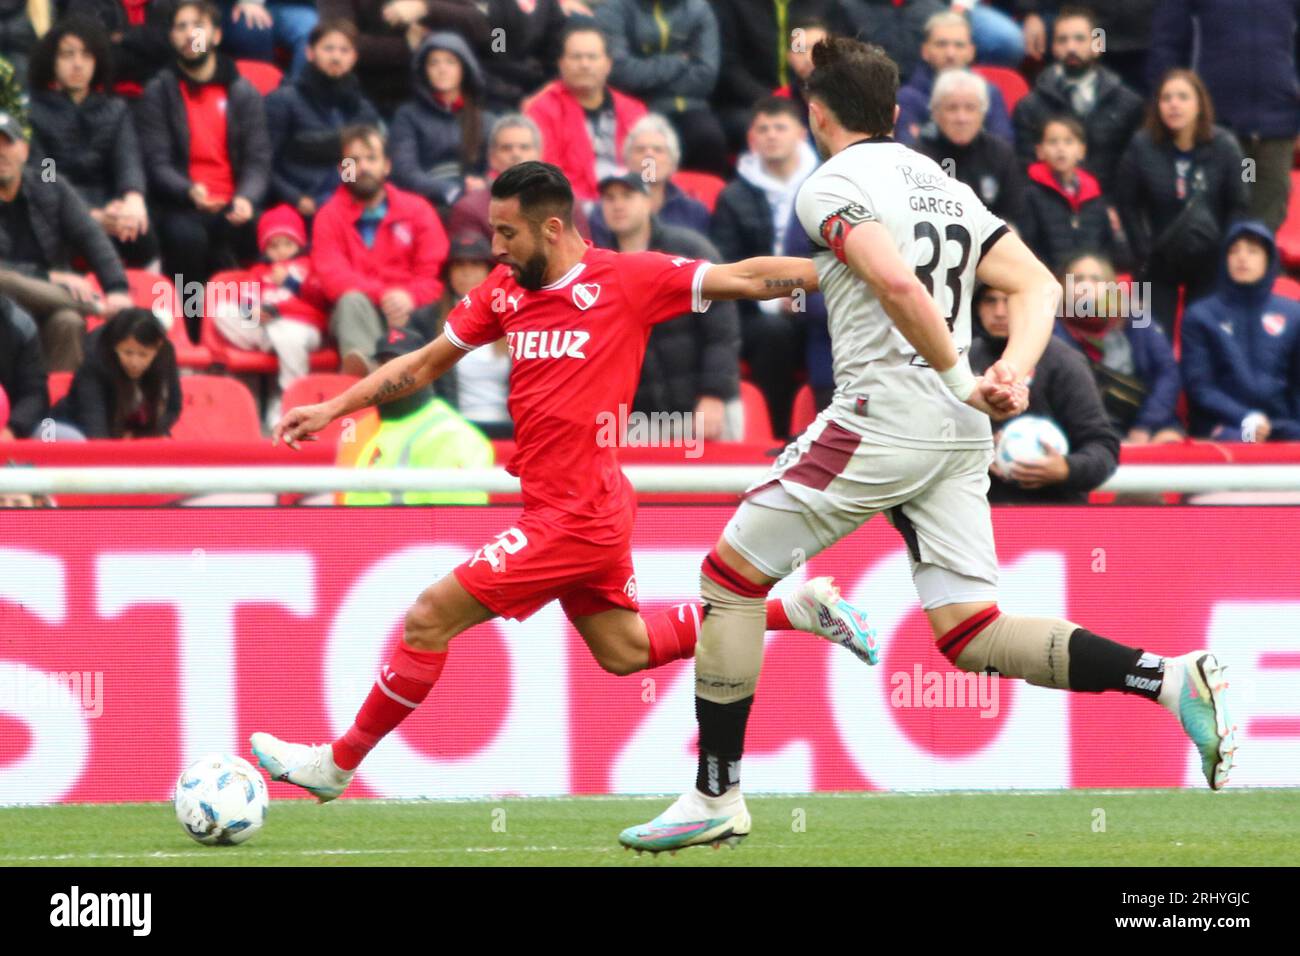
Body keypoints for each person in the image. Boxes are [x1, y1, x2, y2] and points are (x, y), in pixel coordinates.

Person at [620, 37, 1236, 855]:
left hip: (889, 416)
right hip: (956, 433)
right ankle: (1167, 678)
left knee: (728, 576)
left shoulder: (833, 182)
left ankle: (716, 793)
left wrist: (956, 375)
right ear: (899, 113)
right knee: (971, 629)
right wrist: (1007, 372)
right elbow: (1039, 284)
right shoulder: (938, 183)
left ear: (817, 114)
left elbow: (896, 283)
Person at [250, 159, 875, 800]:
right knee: (625, 650)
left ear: (551, 228)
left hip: (577, 515)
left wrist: (852, 265)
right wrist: (334, 408)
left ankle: (337, 765)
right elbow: (425, 362)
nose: (494, 247)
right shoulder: (504, 290)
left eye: (506, 233)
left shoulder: (628, 279)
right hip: (571, 507)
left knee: (428, 619)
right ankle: (797, 608)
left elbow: (742, 278)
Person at [136, 0, 271, 339]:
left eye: (196, 25)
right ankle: (194, 331)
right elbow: (156, 162)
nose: (187, 34)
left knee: (264, 231)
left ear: (216, 35)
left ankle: (251, 333)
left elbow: (257, 159)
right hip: (181, 203)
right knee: (188, 238)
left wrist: (245, 198)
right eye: (180, 27)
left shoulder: (242, 91)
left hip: (232, 203)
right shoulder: (159, 91)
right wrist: (189, 191)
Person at [598, 171, 741, 442]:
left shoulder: (687, 249)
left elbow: (722, 328)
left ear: (649, 202)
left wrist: (713, 394)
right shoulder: (597, 266)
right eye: (609, 198)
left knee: (722, 484)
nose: (617, 205)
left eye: (627, 196)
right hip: (637, 419)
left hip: (703, 409)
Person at [711, 95, 820, 438]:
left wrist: (802, 296)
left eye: (780, 127)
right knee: (773, 335)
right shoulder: (733, 196)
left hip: (817, 300)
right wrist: (774, 299)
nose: (771, 135)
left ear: (801, 134)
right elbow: (724, 266)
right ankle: (776, 433)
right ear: (751, 139)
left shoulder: (825, 186)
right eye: (763, 129)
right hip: (754, 308)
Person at [1115, 69, 1249, 339]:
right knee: (1147, 335)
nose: (1173, 104)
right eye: (1166, 98)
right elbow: (1125, 202)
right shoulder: (1140, 145)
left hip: (1209, 259)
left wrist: (1225, 251)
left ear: (1200, 104)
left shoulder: (1226, 145)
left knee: (1207, 338)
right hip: (1156, 258)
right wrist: (1142, 249)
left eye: (1183, 97)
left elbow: (1240, 203)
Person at [1147, 0, 1300, 231]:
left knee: (1264, 224)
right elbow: (1166, 46)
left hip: (1276, 125)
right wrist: (1175, 108)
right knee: (1211, 219)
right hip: (1213, 126)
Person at [310, 123, 449, 376]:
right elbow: (332, 278)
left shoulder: (417, 210)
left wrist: (409, 298)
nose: (363, 167)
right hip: (356, 314)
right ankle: (374, 380)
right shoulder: (328, 216)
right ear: (343, 171)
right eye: (354, 161)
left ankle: (380, 381)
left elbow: (433, 275)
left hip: (411, 312)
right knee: (352, 300)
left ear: (386, 165)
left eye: (371, 158)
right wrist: (385, 296)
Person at [0, 108, 132, 370]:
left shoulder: (50, 186)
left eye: (8, 143)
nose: (1, 152)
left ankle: (56, 406)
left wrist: (117, 288)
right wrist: (47, 277)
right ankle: (96, 307)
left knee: (69, 321)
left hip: (49, 303)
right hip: (6, 300)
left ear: (24, 151)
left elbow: (91, 235)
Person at [969, 282, 1120, 503]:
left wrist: (1066, 469)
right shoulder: (961, 360)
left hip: (1055, 516)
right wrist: (975, 453)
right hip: (979, 514)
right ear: (976, 307)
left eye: (1009, 301)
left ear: (1029, 305)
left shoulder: (1065, 362)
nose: (1000, 312)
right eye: (990, 301)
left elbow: (1103, 449)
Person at [27, 17, 156, 269]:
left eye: (86, 55)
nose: (77, 64)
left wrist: (132, 199)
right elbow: (46, 176)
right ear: (51, 62)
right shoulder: (34, 113)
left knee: (143, 233)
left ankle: (151, 303)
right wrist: (89, 215)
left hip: (108, 204)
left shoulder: (115, 109)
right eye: (67, 55)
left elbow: (127, 161)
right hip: (57, 208)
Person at [340, 324, 494, 505]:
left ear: (425, 370)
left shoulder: (451, 434)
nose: (390, 375)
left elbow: (454, 523)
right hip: (351, 530)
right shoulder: (360, 428)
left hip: (406, 532)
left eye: (400, 364)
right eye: (383, 364)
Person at [1181, 222, 1300, 443]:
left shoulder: (1294, 314)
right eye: (1234, 251)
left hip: (1281, 426)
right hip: (1225, 426)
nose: (1242, 258)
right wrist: (1246, 418)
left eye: (1253, 251)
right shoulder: (1200, 315)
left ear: (1269, 260)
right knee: (1243, 438)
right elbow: (1200, 387)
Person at [211, 203, 329, 421]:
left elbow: (320, 298)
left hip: (302, 328)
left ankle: (289, 398)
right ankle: (271, 344)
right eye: (273, 246)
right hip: (266, 327)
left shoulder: (308, 265)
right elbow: (245, 298)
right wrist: (252, 312)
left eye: (287, 244)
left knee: (287, 332)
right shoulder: (259, 271)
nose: (281, 251)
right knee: (222, 311)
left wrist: (290, 283)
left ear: (299, 243)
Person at [1011, 5, 1144, 196]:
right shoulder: (1029, 108)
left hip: (1109, 211)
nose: (1071, 47)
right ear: (1054, 47)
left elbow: (1133, 175)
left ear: (1098, 45)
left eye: (1080, 39)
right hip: (1048, 211)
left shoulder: (1128, 105)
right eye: (1062, 40)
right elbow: (1025, 173)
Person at [1054, 253, 1183, 445]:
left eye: (1095, 279)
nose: (1086, 286)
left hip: (1142, 421)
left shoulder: (1135, 319)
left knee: (1169, 441)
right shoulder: (1052, 326)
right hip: (1077, 425)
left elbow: (1168, 374)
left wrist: (1145, 426)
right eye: (1078, 279)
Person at [265, 18, 383, 218]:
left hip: (345, 207)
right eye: (328, 49)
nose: (336, 57)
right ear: (310, 53)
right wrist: (296, 199)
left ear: (354, 57)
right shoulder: (284, 101)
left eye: (344, 50)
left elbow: (352, 162)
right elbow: (264, 163)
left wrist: (347, 195)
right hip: (295, 206)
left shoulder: (361, 109)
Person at [595, 0, 727, 178]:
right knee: (648, 152)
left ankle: (703, 202)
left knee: (709, 139)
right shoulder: (614, 8)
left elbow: (706, 76)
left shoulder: (698, 9)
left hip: (689, 105)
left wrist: (649, 82)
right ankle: (649, 199)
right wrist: (679, 61)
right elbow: (622, 74)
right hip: (638, 107)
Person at [524, 22, 647, 206]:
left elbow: (649, 161)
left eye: (592, 57)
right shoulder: (542, 111)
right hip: (571, 207)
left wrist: (650, 187)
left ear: (608, 64)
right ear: (561, 64)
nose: (584, 64)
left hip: (629, 203)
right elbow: (545, 175)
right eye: (576, 57)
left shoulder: (634, 110)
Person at [389, 31, 493, 214]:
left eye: (450, 62)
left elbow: (497, 167)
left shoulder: (484, 119)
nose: (442, 69)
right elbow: (404, 172)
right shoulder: (407, 116)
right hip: (423, 205)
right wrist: (449, 190)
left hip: (476, 204)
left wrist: (485, 183)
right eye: (433, 63)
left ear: (464, 68)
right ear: (424, 70)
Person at [447, 113, 592, 244]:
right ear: (492, 158)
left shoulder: (566, 203)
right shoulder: (470, 209)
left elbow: (581, 259)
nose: (516, 154)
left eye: (524, 147)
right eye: (506, 148)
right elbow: (467, 270)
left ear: (539, 154)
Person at [50, 307, 181, 439]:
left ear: (157, 347)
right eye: (127, 353)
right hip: (74, 426)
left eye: (143, 354)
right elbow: (96, 430)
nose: (135, 362)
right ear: (114, 346)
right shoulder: (95, 358)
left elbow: (173, 408)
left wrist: (139, 435)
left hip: (128, 427)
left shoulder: (165, 353)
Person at [914, 69, 1024, 226]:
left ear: (983, 113)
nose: (961, 118)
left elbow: (1014, 218)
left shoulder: (1001, 154)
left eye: (970, 108)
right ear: (936, 113)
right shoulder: (918, 158)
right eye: (952, 108)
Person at [1019, 116, 1129, 272]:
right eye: (1052, 142)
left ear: (1082, 151)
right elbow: (1029, 247)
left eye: (1068, 142)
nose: (1060, 149)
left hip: (1091, 283)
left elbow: (1110, 249)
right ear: (1040, 151)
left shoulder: (1095, 197)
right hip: (1051, 281)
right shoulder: (1030, 195)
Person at [587, 113, 711, 246]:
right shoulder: (606, 209)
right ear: (626, 160)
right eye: (640, 150)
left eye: (658, 150)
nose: (649, 155)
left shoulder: (693, 211)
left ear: (672, 162)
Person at [895, 9, 1013, 146]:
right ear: (925, 51)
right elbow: (908, 150)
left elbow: (1003, 147)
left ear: (971, 52)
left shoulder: (990, 93)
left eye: (959, 45)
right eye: (941, 44)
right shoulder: (907, 98)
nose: (950, 53)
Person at [435, 231, 510, 436]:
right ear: (448, 273)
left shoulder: (514, 315)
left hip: (511, 431)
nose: (466, 273)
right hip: (453, 433)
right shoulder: (427, 321)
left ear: (489, 271)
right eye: (459, 265)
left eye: (475, 265)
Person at [218, 0, 319, 80]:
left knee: (311, 33)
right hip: (215, 6)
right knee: (253, 28)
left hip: (289, 5)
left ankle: (297, 97)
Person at [0, 294, 48, 440]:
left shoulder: (19, 323)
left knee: (63, 436)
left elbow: (35, 393)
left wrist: (12, 430)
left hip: (11, 425)